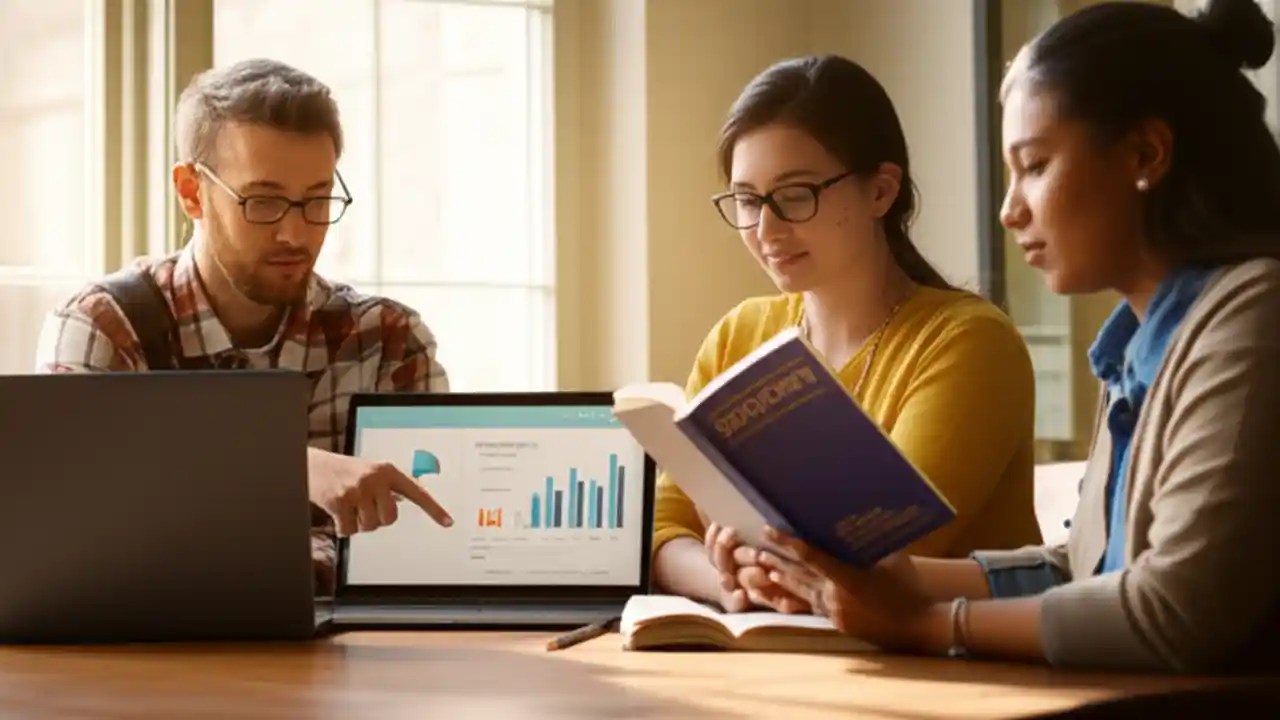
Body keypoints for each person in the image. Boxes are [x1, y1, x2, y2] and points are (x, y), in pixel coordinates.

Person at [757, 0, 1280, 673]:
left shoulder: (1253, 318)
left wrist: (925, 624)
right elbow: (1087, 570)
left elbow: (1171, 611)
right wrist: (902, 577)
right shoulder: (1142, 345)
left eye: (1033, 165)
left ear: (1146, 154)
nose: (1009, 209)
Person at [35, 58, 454, 590]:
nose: (295, 234)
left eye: (317, 200)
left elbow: (425, 554)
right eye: (264, 201)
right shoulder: (102, 326)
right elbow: (66, 525)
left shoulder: (388, 341)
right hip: (140, 663)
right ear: (191, 192)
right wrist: (296, 471)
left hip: (354, 665)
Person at [652, 53, 1042, 614]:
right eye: (746, 200)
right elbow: (665, 527)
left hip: (947, 672)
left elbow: (884, 556)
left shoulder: (969, 342)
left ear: (881, 192)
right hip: (785, 658)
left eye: (794, 195)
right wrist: (728, 584)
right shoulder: (740, 335)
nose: (766, 229)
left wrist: (754, 569)